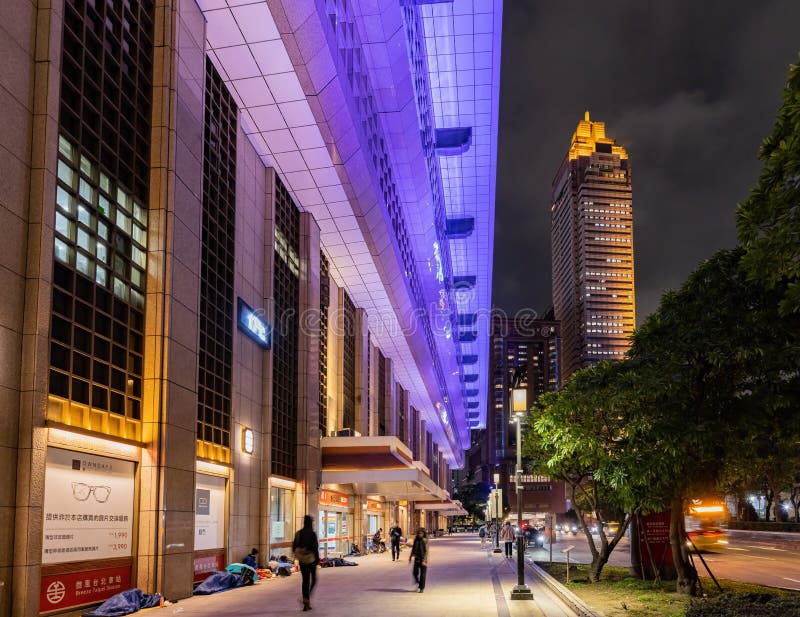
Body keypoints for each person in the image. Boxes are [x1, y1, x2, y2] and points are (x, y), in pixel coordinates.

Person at [292, 515, 320, 611]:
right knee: (314, 580)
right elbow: (315, 548)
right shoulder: (312, 534)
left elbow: (294, 547)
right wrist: (317, 560)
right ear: (310, 523)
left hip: (302, 560)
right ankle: (306, 600)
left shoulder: (298, 533)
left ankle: (306, 602)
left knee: (305, 581)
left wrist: (300, 554)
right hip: (311, 560)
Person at [408, 528, 429, 593]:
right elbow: (413, 548)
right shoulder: (416, 540)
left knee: (423, 575)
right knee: (415, 572)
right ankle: (418, 582)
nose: (419, 534)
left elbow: (426, 551)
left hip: (423, 559)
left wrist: (424, 560)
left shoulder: (425, 540)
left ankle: (421, 588)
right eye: (418, 533)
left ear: (423, 534)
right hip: (417, 559)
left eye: (420, 533)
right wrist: (410, 556)